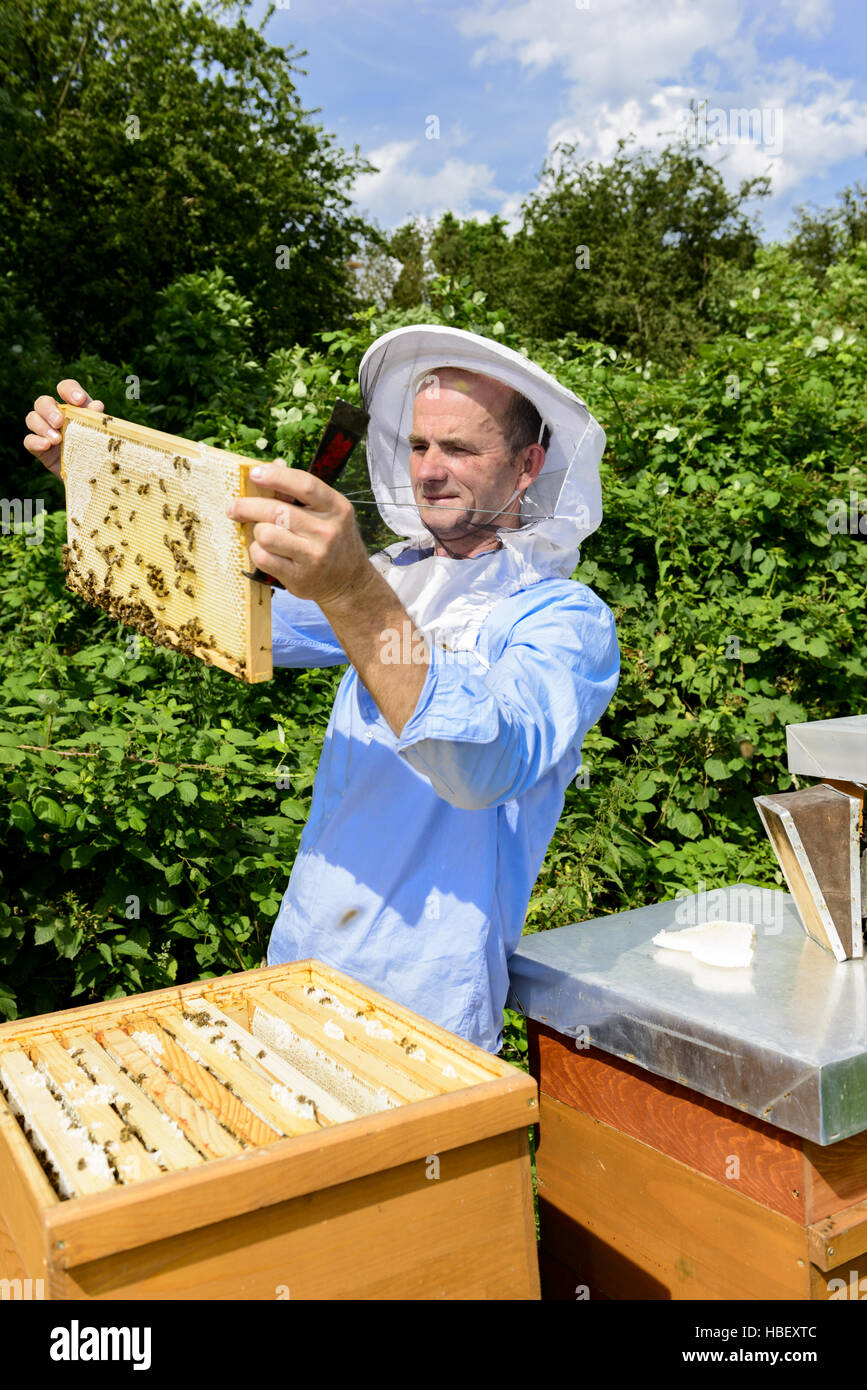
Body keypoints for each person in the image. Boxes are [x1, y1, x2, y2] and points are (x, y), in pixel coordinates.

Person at [24, 324, 619, 1053]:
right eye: (419, 446)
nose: (431, 469)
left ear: (528, 465)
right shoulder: (396, 572)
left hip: (426, 1007)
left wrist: (353, 588)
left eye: (460, 448)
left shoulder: (562, 619)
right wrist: (98, 474)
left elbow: (479, 768)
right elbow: (225, 605)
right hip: (304, 962)